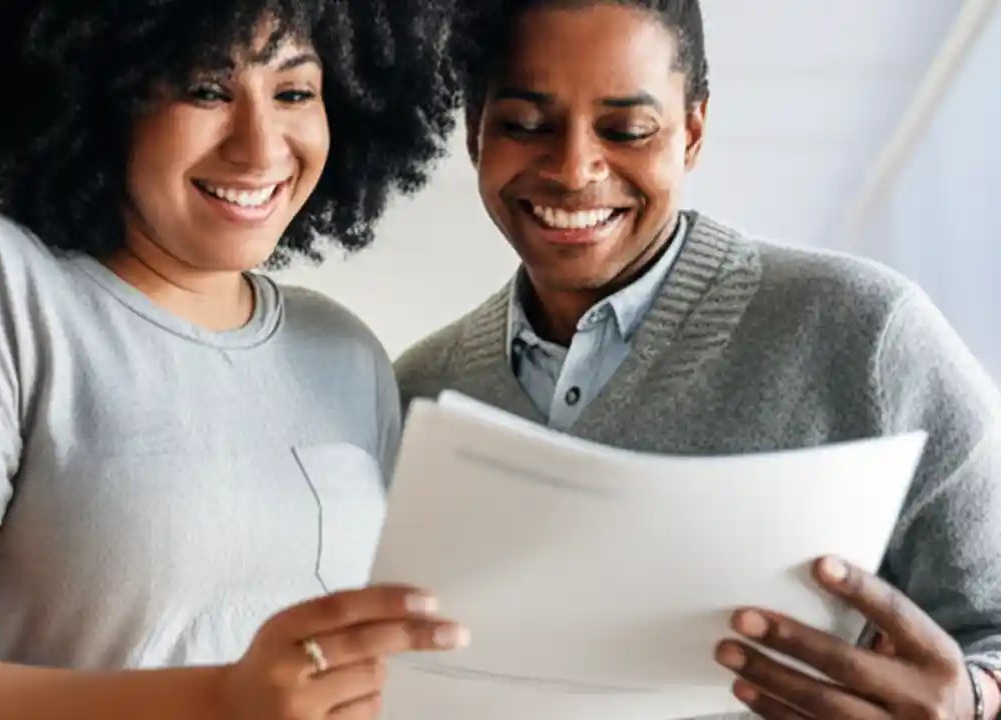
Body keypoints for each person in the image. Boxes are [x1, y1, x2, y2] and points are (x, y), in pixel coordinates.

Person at [0, 2, 471, 718]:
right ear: (99, 92)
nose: (260, 146)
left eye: (295, 92)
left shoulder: (347, 355)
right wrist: (218, 701)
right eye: (206, 89)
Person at [397, 1, 1001, 718]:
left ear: (691, 133)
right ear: (475, 132)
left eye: (627, 130)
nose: (573, 169)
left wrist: (971, 701)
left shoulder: (866, 333)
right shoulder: (413, 396)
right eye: (527, 125)